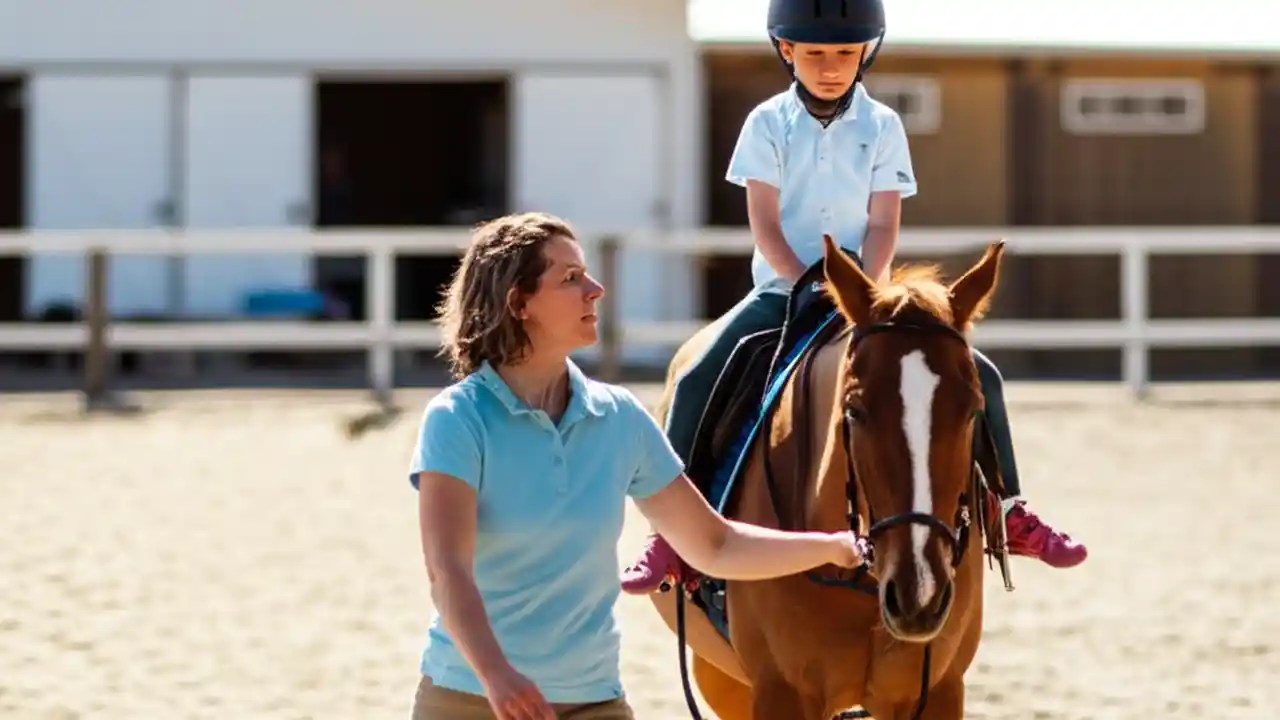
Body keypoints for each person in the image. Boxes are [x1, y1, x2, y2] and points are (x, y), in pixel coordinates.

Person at [620, 0, 1087, 597]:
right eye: (814, 54)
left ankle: (1005, 508)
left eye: (845, 53)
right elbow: (763, 219)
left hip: (866, 294)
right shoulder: (765, 123)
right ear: (787, 51)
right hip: (781, 291)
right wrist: (800, 280)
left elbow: (884, 221)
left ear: (867, 53)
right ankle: (673, 536)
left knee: (978, 374)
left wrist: (866, 289)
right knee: (700, 374)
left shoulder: (883, 126)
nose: (831, 66)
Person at [409, 211, 868, 720]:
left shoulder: (619, 416)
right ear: (519, 303)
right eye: (569, 279)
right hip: (470, 698)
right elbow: (446, 570)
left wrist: (837, 547)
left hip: (594, 701)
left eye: (585, 273)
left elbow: (715, 544)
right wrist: (498, 676)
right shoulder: (458, 419)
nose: (595, 289)